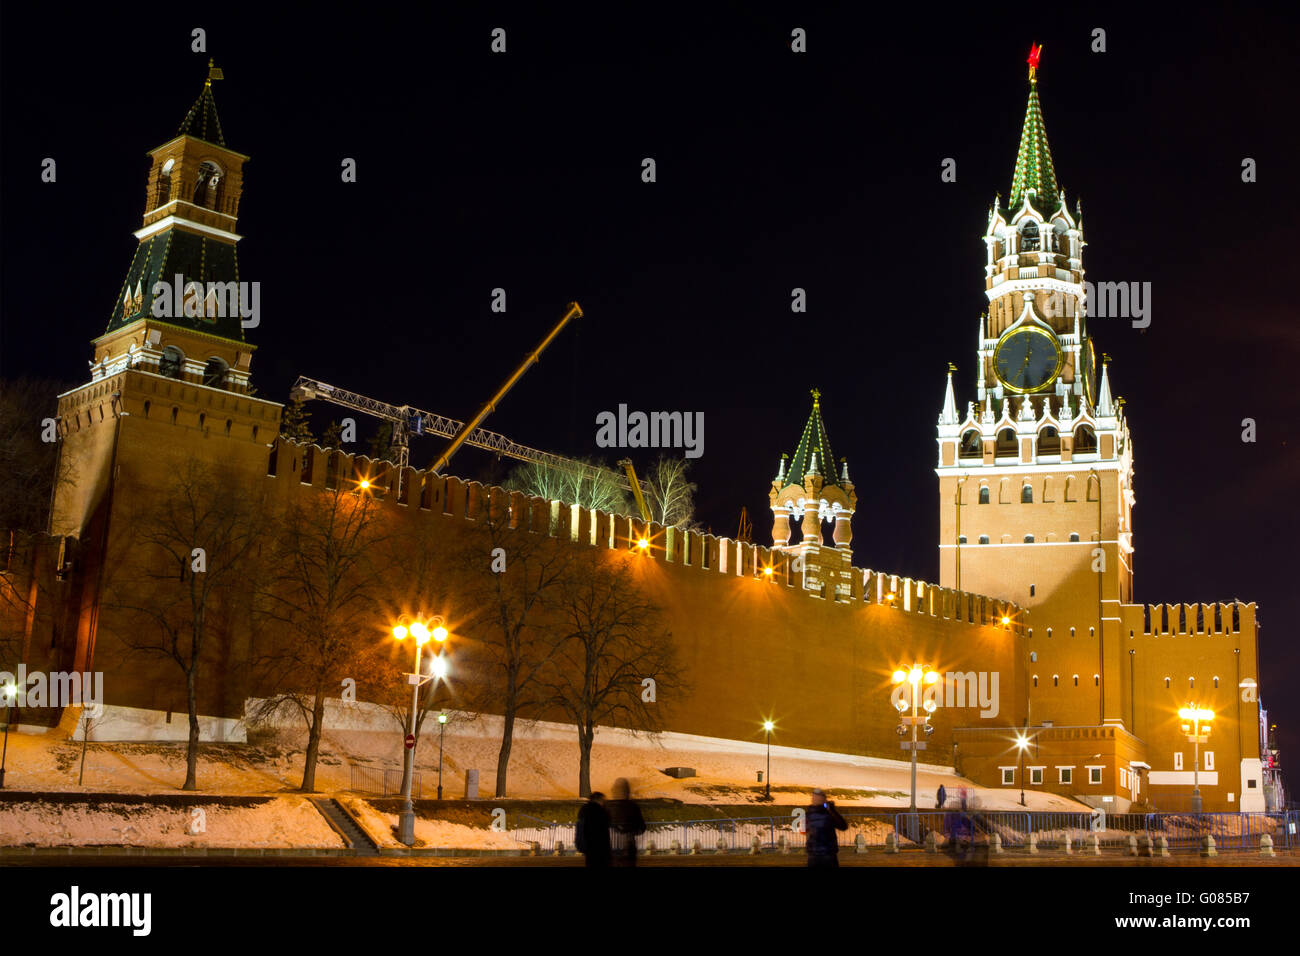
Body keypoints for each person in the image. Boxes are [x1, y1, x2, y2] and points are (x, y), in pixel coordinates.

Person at [606, 778, 646, 867]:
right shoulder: (633, 806)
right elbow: (641, 827)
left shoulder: (606, 806)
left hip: (610, 849)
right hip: (628, 848)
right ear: (627, 791)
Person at [805, 788, 848, 867]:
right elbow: (843, 826)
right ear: (823, 800)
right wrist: (833, 810)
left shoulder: (808, 815)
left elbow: (806, 832)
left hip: (813, 855)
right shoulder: (828, 815)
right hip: (828, 855)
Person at [575, 791, 611, 867]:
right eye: (603, 800)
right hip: (600, 847)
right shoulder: (600, 811)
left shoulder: (584, 809)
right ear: (598, 800)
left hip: (588, 846)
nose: (604, 802)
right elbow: (607, 822)